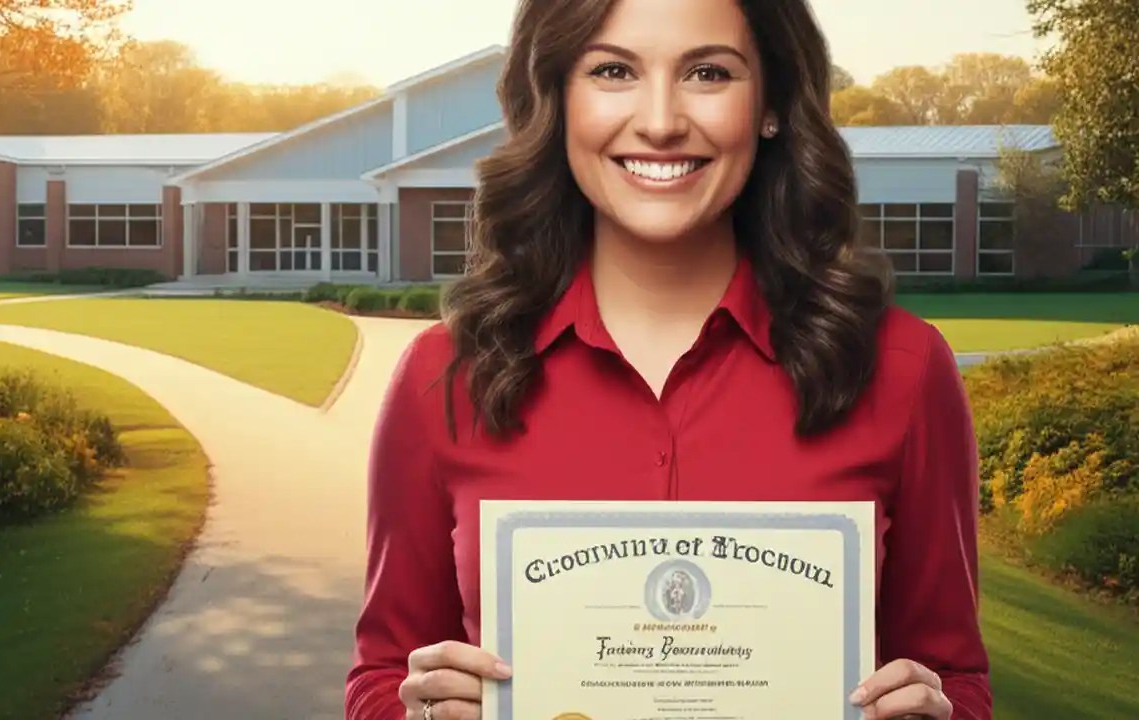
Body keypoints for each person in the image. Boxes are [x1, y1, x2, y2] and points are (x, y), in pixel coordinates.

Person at [344, 0, 991, 718]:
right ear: (558, 100)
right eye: (613, 70)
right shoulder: (445, 377)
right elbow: (380, 676)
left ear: (770, 103)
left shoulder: (902, 368)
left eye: (708, 72)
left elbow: (956, 679)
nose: (659, 121)